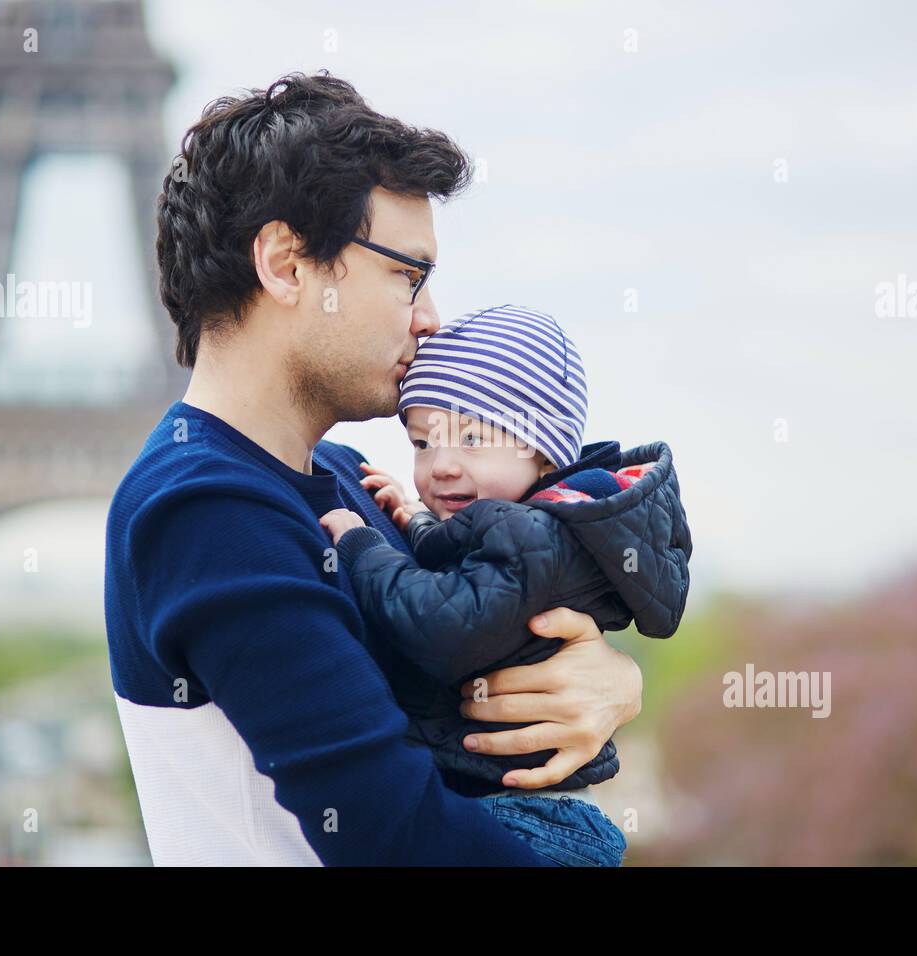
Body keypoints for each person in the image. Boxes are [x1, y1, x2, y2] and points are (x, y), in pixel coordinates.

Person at [103, 73, 644, 865]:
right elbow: (401, 838)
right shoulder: (203, 512)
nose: (430, 318)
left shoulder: (345, 478)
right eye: (407, 274)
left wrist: (606, 679)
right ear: (288, 264)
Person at [317, 304, 692, 866]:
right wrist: (415, 520)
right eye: (423, 444)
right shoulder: (539, 523)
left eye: (471, 438)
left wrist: (363, 546)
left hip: (520, 819)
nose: (441, 465)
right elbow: (467, 571)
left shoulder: (533, 535)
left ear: (543, 451)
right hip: (529, 806)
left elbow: (441, 625)